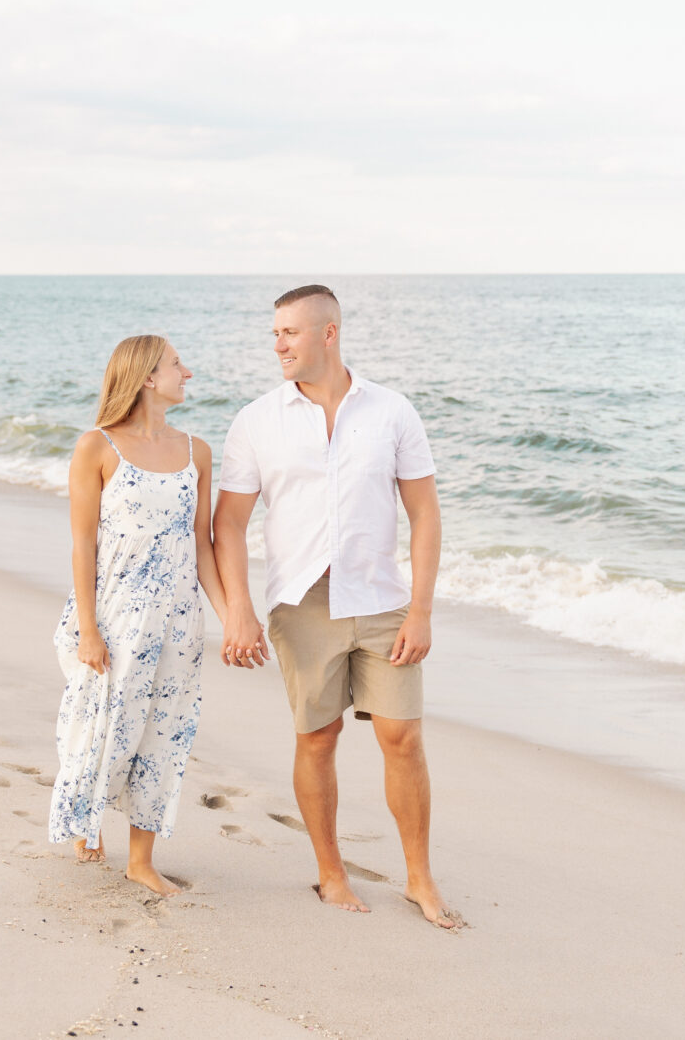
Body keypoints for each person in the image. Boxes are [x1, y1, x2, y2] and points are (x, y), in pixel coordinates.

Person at [214, 285, 460, 929]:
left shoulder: (392, 411)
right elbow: (230, 524)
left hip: (381, 599)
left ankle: (418, 879)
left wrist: (422, 610)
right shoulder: (257, 420)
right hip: (300, 603)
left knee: (401, 737)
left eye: (289, 333)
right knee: (317, 738)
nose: (278, 345)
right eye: (274, 334)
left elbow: (425, 513)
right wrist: (238, 610)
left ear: (328, 333)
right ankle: (330, 872)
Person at [49, 334, 243, 896]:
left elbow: (203, 547)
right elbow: (82, 543)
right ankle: (87, 823)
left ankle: (141, 859)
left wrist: (230, 616)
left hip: (179, 621)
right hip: (113, 616)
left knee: (164, 733)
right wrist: (89, 628)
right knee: (100, 725)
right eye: (178, 364)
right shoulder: (97, 447)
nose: (189, 372)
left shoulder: (196, 451)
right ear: (147, 378)